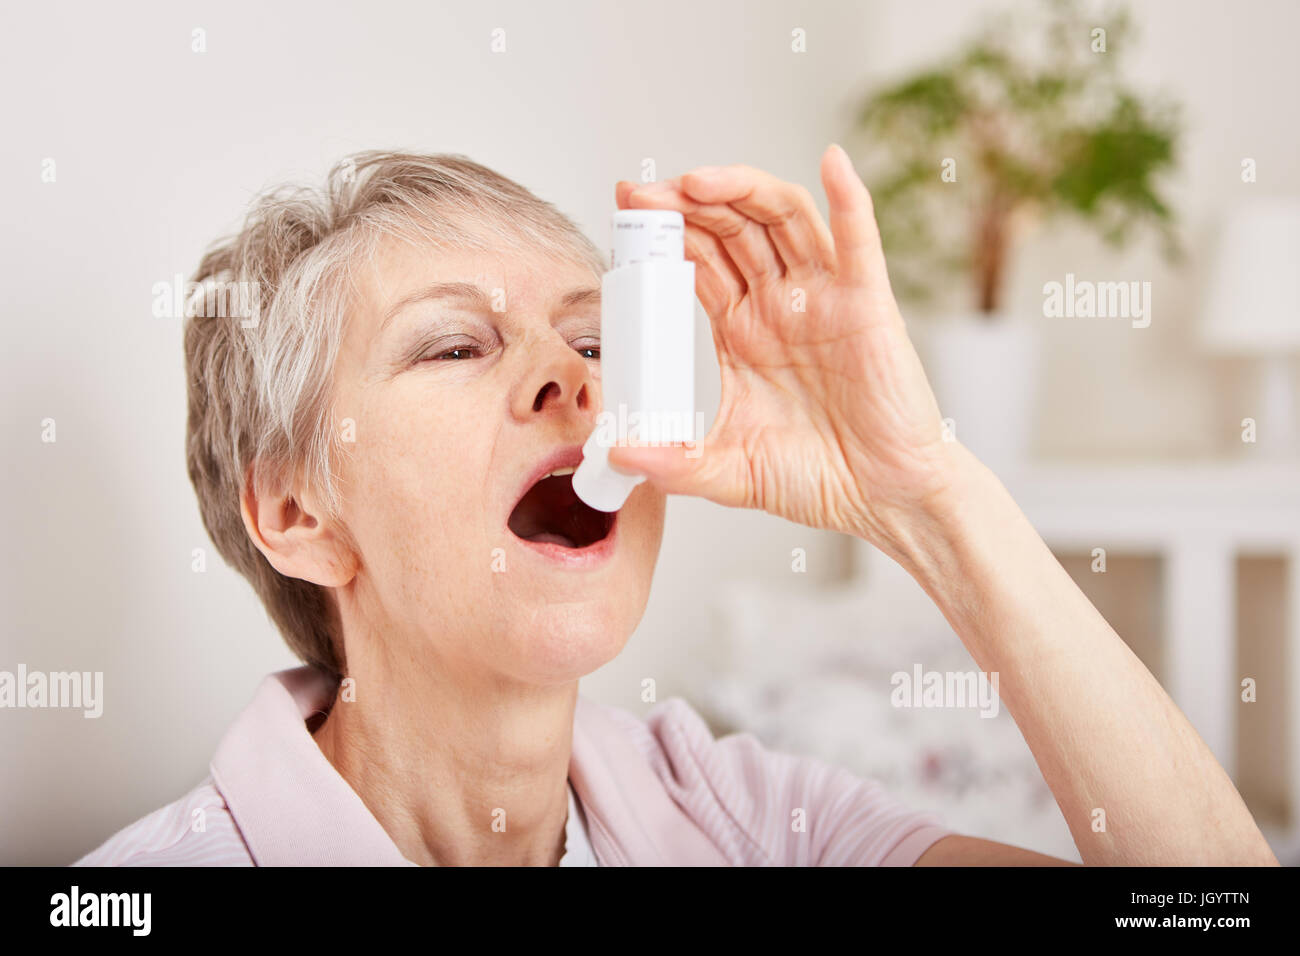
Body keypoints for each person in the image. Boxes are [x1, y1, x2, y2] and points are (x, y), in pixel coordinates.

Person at [75, 147, 1277, 866]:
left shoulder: (744, 819)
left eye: (598, 337)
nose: (575, 379)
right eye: (453, 346)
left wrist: (927, 494)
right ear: (297, 512)